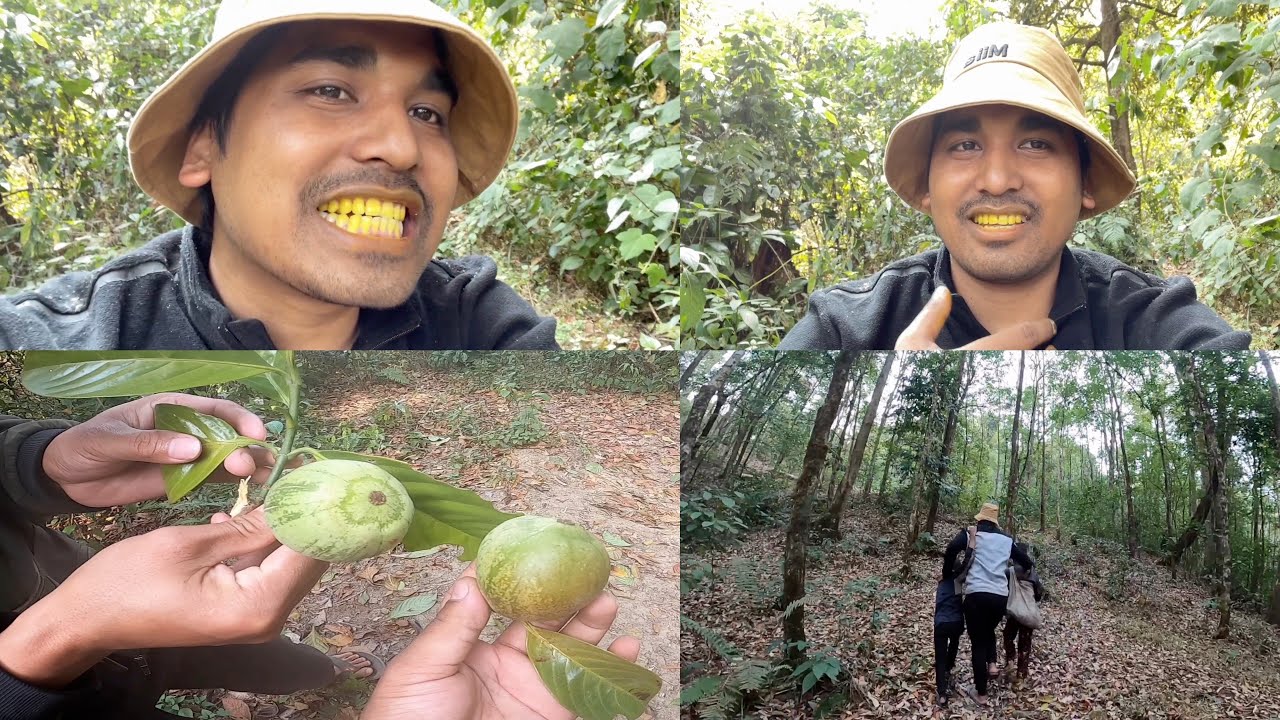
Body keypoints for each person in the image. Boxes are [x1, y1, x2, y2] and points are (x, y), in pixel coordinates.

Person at [0, 394, 635, 718]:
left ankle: (323, 676)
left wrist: (37, 465)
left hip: (115, 592)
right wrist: (56, 639)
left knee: (280, 662)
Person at [0, 1, 558, 350]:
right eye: (330, 91)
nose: (400, 146)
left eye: (426, 113)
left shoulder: (479, 325)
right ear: (202, 151)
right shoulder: (65, 337)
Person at [778, 22, 1251, 351]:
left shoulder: (1152, 321)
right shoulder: (847, 328)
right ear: (926, 186)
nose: (998, 179)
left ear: (1085, 181)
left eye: (1036, 143)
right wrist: (892, 409)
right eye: (965, 145)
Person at [943, 502, 1033, 706]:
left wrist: (947, 574)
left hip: (976, 595)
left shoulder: (971, 534)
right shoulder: (1006, 541)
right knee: (987, 631)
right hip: (999, 598)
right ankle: (991, 664)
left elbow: (950, 550)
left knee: (978, 643)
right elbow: (1026, 562)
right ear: (995, 521)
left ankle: (981, 692)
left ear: (980, 519)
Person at [1001, 542, 1044, 686]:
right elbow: (1039, 594)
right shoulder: (1033, 574)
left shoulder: (1009, 572)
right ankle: (1021, 676)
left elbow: (1003, 589)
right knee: (1025, 645)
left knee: (1008, 635)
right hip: (1028, 614)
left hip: (1014, 613)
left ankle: (1010, 660)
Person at [933, 553, 965, 707]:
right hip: (956, 621)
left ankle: (942, 693)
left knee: (939, 656)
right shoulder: (958, 583)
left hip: (941, 623)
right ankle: (949, 666)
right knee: (954, 641)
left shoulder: (941, 584)